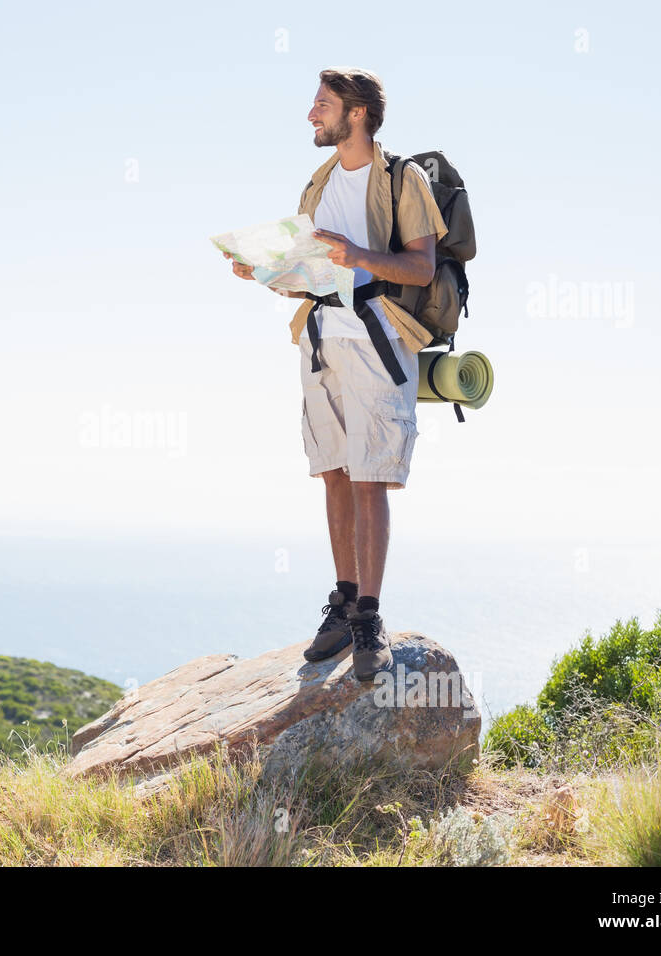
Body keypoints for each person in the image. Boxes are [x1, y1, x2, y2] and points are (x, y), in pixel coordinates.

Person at [223, 68, 447, 679]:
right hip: (320, 340)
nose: (310, 114)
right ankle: (344, 601)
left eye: (321, 105)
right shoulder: (317, 184)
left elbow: (421, 269)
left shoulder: (404, 179)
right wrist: (266, 272)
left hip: (378, 341)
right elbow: (313, 275)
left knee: (371, 478)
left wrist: (358, 256)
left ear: (355, 114)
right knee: (334, 475)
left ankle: (369, 618)